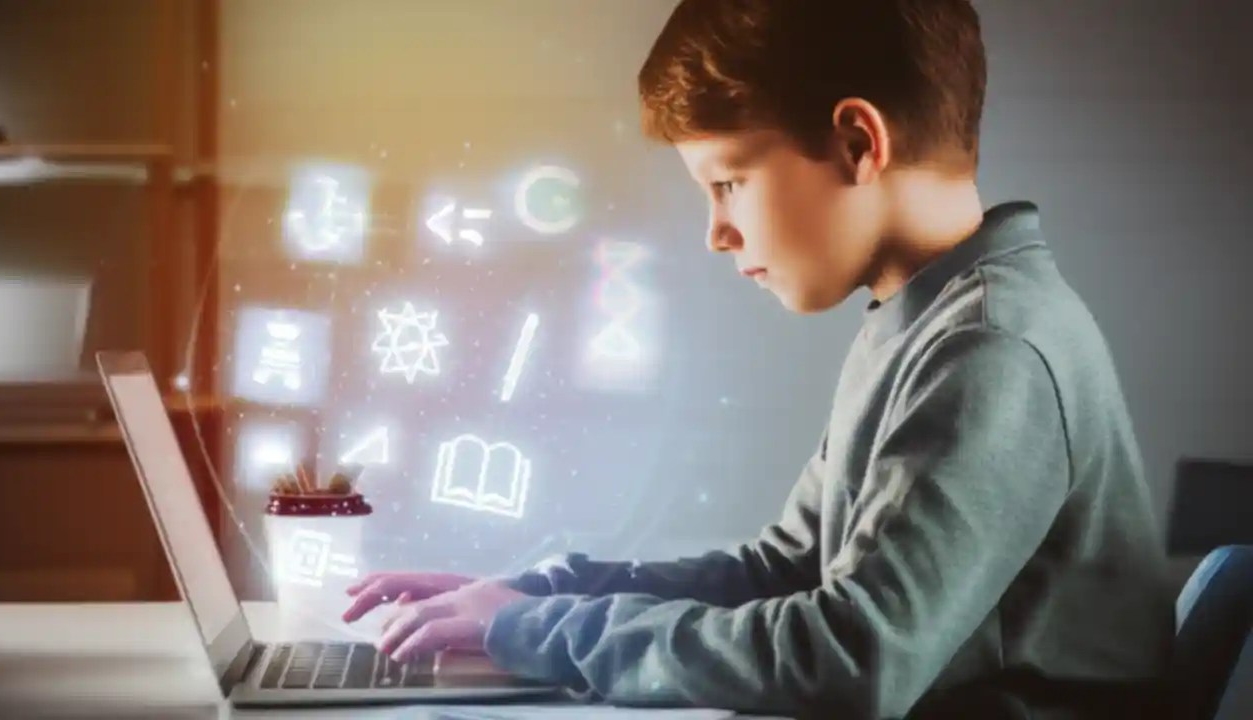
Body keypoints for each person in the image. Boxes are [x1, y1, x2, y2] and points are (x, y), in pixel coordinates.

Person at [342, 1, 1176, 716]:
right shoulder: (923, 320)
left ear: (857, 141)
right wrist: (536, 596)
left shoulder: (991, 350)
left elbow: (853, 659)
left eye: (729, 182)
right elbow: (786, 570)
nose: (716, 232)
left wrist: (534, 636)